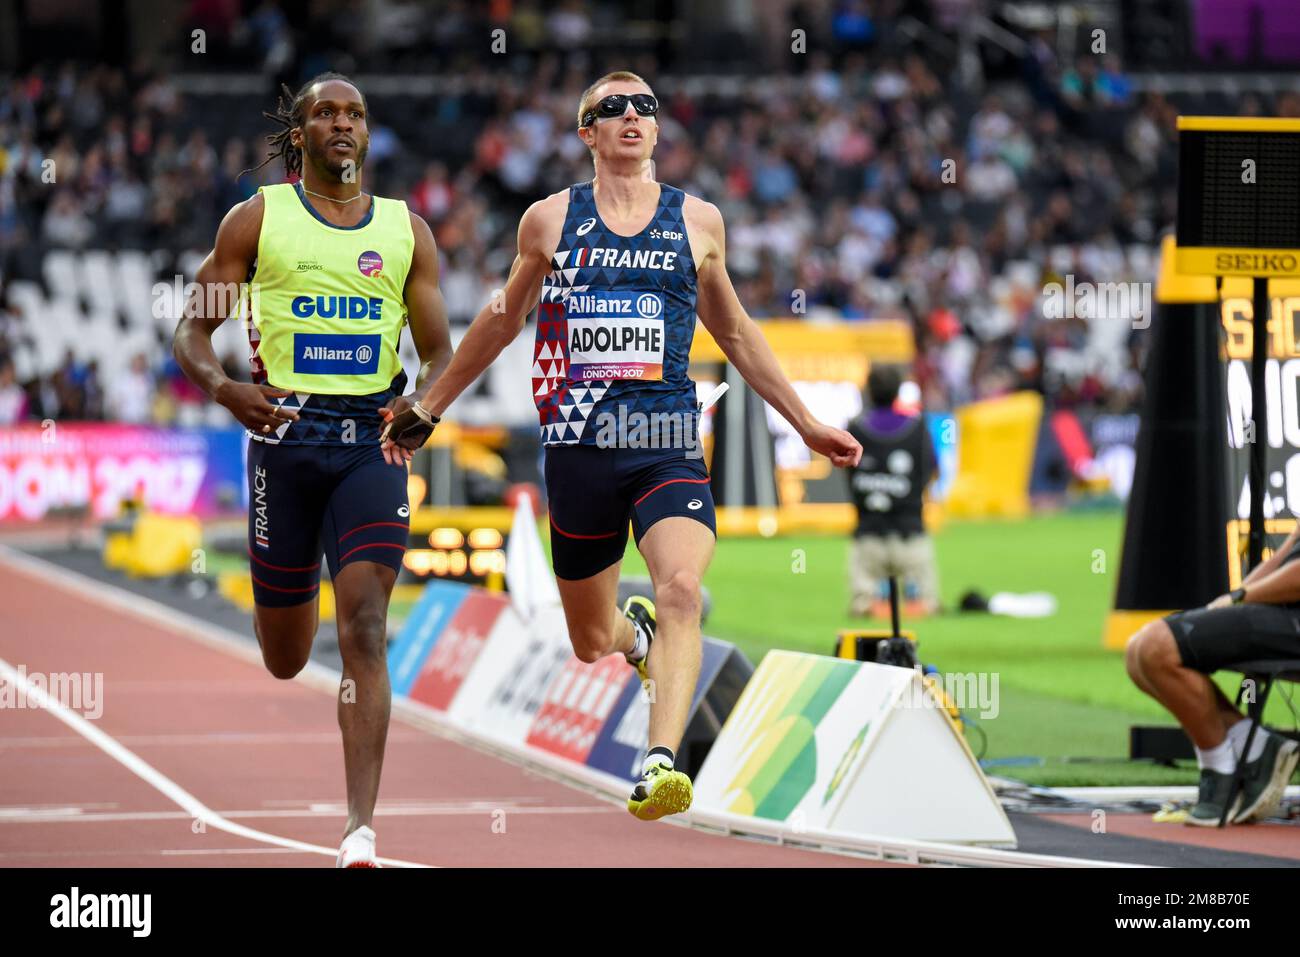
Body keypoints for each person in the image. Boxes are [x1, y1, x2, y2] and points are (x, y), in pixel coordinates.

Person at [381, 71, 861, 821]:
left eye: (645, 106)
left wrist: (803, 421)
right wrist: (429, 405)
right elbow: (504, 319)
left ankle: (661, 760)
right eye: (612, 108)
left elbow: (733, 330)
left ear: (657, 129)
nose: (631, 116)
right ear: (587, 133)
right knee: (587, 637)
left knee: (679, 588)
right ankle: (631, 639)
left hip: (665, 441)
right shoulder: (548, 220)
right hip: (578, 450)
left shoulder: (698, 222)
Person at [172, 73, 452, 866]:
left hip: (372, 441)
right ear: (299, 135)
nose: (342, 123)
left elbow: (438, 352)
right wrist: (228, 388)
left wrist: (424, 401)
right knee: (287, 654)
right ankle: (280, 602)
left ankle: (359, 826)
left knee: (364, 624)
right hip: (284, 442)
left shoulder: (407, 231)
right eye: (325, 112)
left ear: (367, 134)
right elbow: (192, 333)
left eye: (355, 114)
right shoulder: (258, 218)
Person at [1126, 531, 1300, 826]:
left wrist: (1241, 597)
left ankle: (1222, 776)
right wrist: (1235, 597)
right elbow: (1283, 558)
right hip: (1283, 617)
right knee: (1138, 653)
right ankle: (1253, 745)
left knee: (1157, 648)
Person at [845, 365, 940, 617]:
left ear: (869, 390)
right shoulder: (917, 427)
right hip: (910, 534)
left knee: (863, 608)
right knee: (925, 608)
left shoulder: (855, 427)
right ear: (899, 390)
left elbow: (848, 470)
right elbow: (932, 469)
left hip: (868, 534)